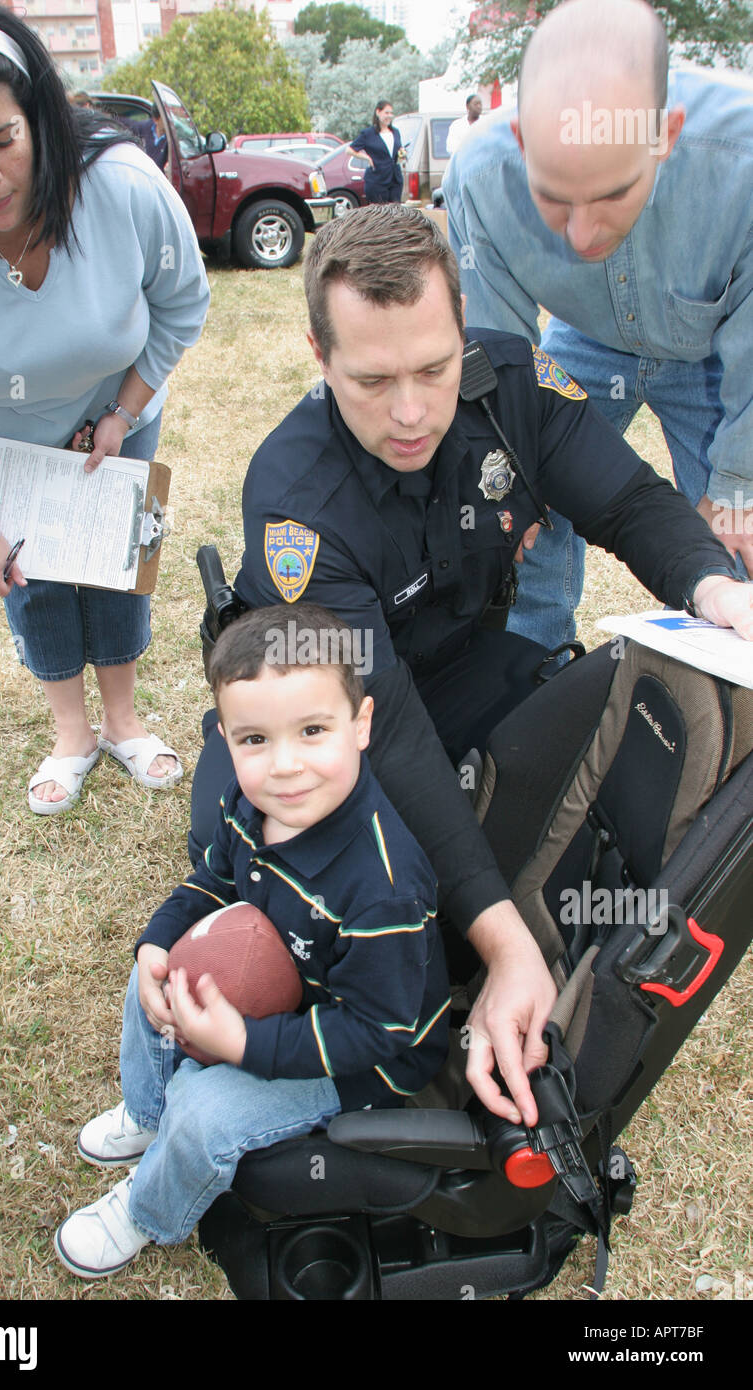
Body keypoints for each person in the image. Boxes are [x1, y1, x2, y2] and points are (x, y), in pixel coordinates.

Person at [189, 204, 753, 1128]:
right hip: (341, 710)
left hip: (462, 659)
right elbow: (389, 729)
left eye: (432, 368)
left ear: (462, 328)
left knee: (561, 738)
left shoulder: (507, 381)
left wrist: (711, 587)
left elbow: (625, 500)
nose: (409, 412)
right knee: (297, 883)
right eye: (371, 381)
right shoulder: (296, 502)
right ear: (317, 355)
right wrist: (502, 945)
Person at [54, 603, 450, 1278]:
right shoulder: (250, 807)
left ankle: (151, 1209)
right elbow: (210, 880)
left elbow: (376, 1034)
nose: (285, 767)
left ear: (361, 726)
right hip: (289, 989)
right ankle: (149, 1116)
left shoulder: (383, 888)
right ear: (225, 738)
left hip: (364, 1060)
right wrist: (157, 943)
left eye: (312, 731)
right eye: (254, 741)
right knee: (156, 972)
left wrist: (244, 1047)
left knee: (208, 1110)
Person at [0, 0, 210, 813]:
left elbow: (182, 304)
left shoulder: (123, 184)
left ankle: (123, 717)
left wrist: (125, 410)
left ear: (37, 118)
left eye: (3, 140)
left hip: (115, 417)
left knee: (117, 573)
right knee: (33, 583)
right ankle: (73, 731)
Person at [442, 0, 753, 654]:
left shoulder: (741, 158)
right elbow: (499, 364)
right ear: (524, 142)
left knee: (736, 539)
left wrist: (736, 487)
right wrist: (512, 479)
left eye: (612, 193)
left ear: (664, 135)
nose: (582, 236)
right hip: (583, 338)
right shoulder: (480, 175)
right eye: (554, 196)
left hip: (721, 350)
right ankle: (530, 673)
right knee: (517, 509)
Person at [347, 100, 404, 205]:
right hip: (377, 180)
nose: (389, 116)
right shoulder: (368, 133)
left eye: (391, 113)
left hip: (395, 179)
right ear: (378, 112)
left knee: (396, 214)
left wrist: (402, 153)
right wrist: (367, 158)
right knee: (380, 215)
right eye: (386, 113)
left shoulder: (395, 132)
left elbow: (398, 149)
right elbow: (349, 150)